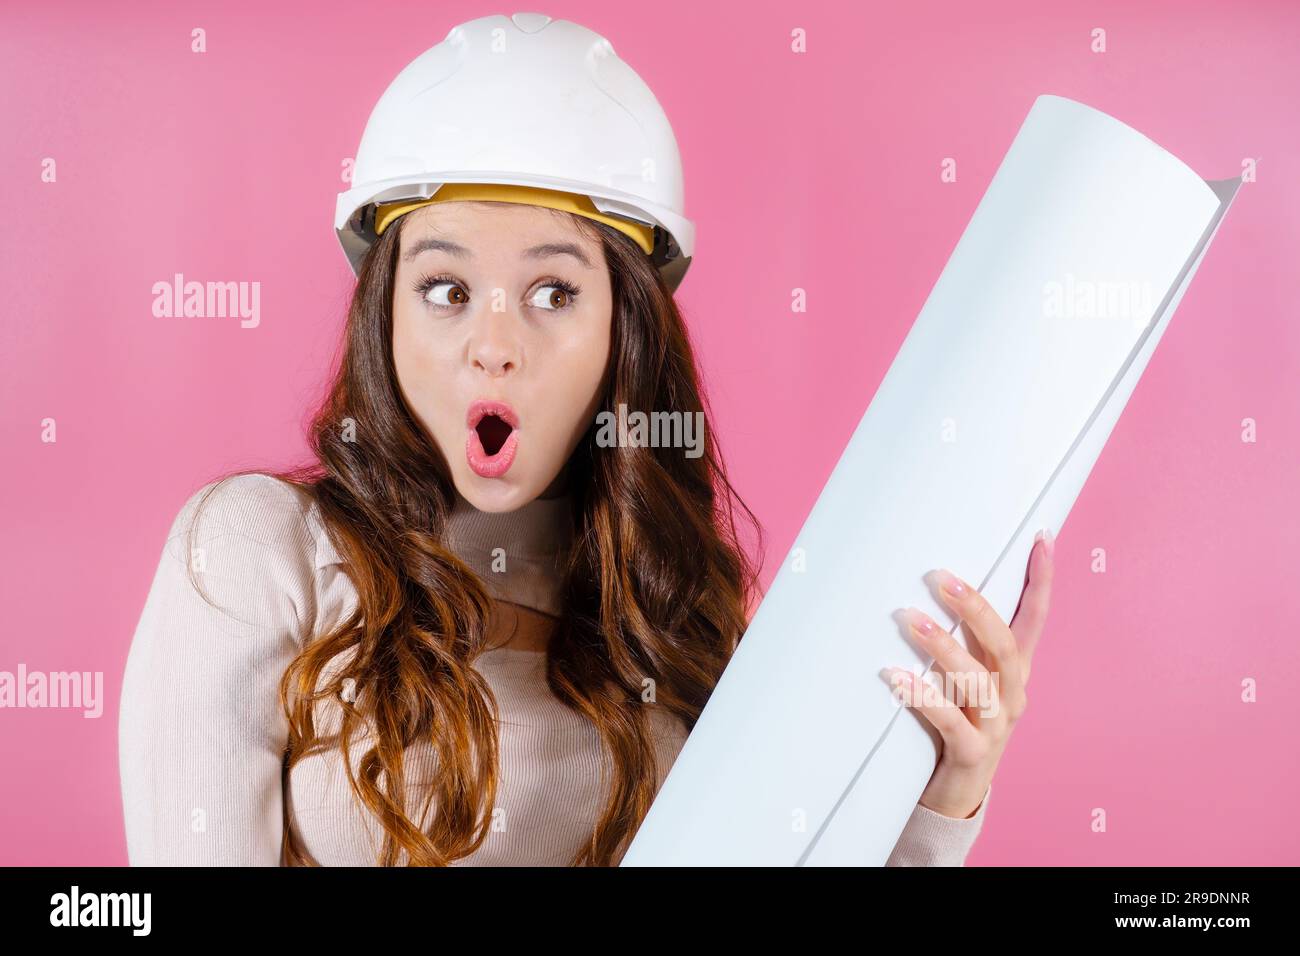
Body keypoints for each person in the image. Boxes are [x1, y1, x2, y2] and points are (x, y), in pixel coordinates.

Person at [118, 12, 1052, 867]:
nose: (494, 346)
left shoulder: (687, 617)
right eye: (444, 289)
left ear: (624, 328)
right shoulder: (261, 547)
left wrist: (941, 798)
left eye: (554, 292)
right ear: (384, 318)